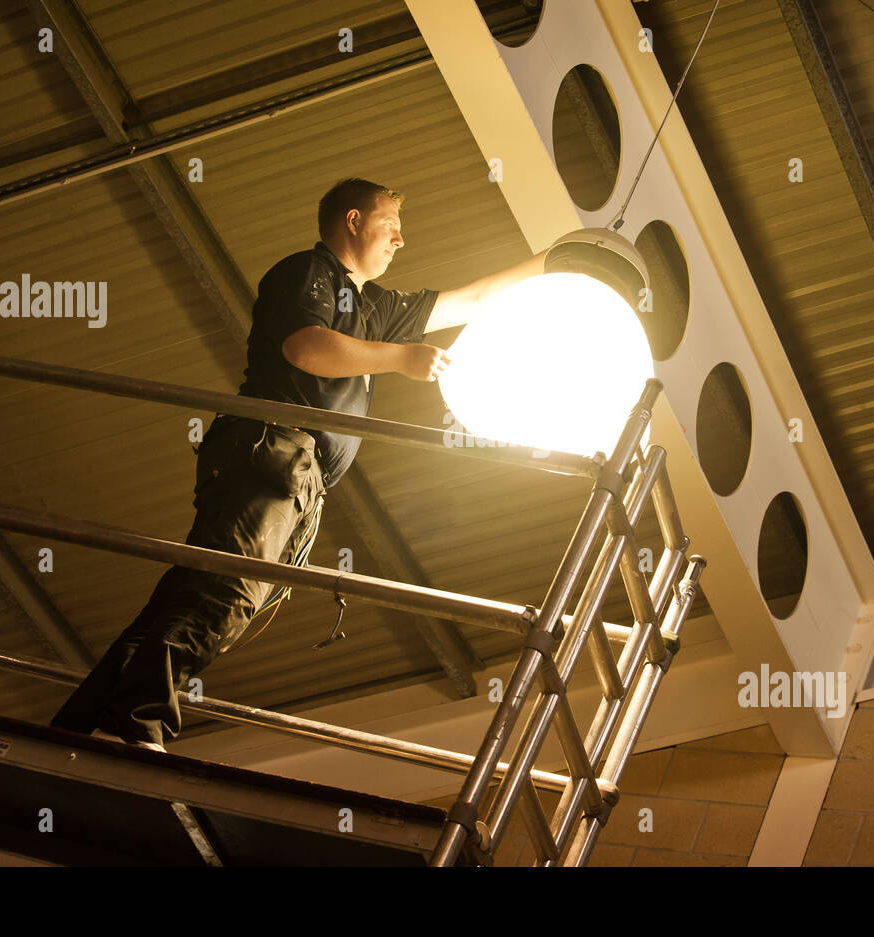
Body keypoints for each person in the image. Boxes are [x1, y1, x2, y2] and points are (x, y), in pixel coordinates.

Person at [49, 178, 544, 751]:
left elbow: (475, 300)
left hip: (292, 472)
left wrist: (556, 263)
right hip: (273, 451)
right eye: (390, 224)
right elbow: (305, 349)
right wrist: (403, 359)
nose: (401, 240)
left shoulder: (372, 307)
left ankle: (82, 727)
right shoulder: (311, 274)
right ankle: (135, 720)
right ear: (353, 221)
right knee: (226, 593)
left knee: (199, 590)